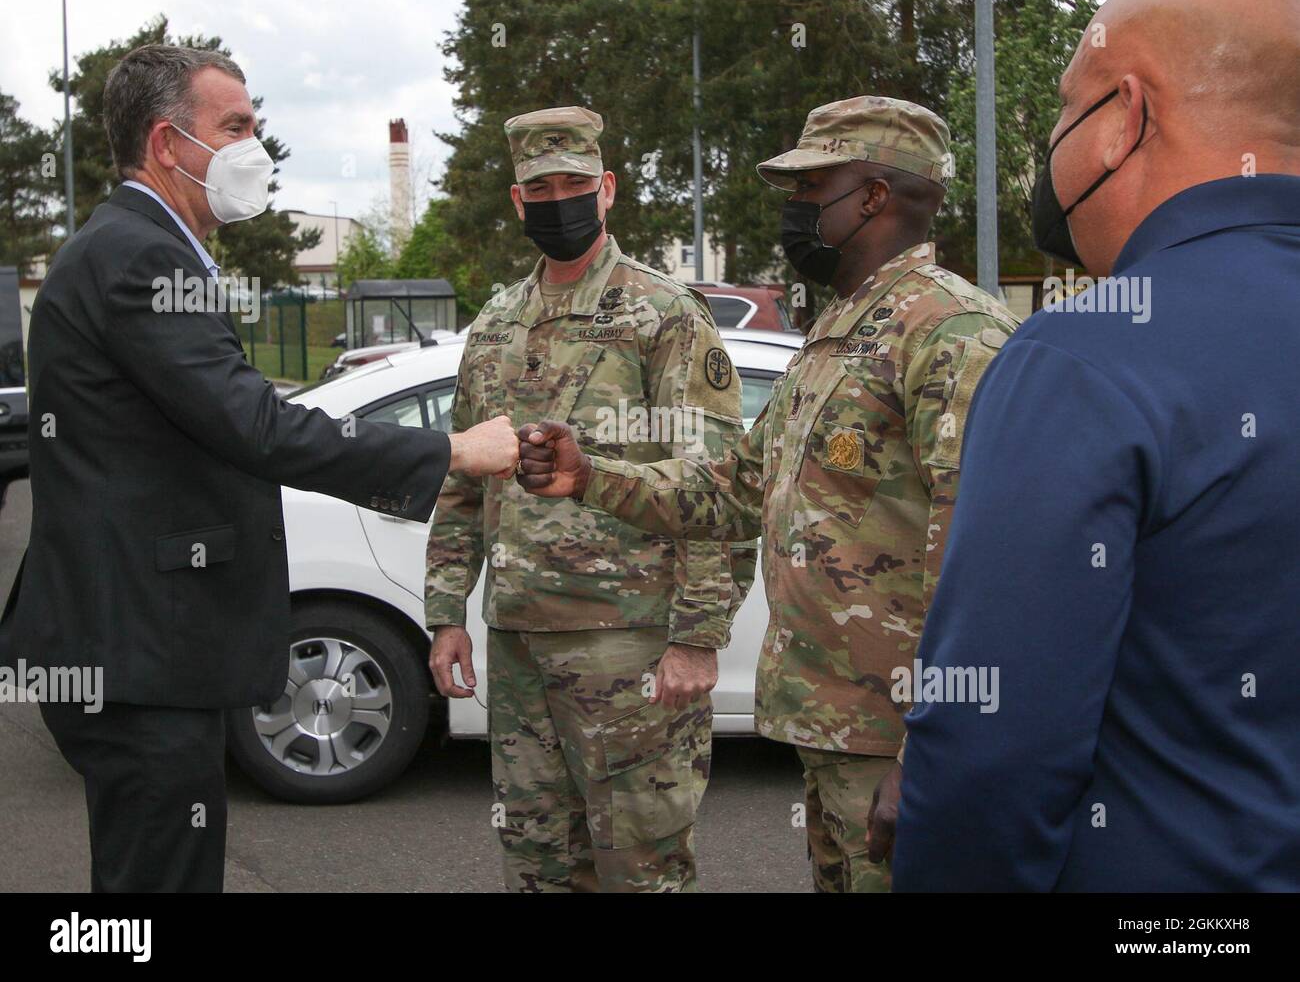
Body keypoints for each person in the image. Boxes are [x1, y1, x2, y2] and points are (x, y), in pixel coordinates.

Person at [0, 44, 518, 893]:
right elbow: (255, 425)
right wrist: (451, 449)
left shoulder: (139, 246)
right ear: (169, 144)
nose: (256, 149)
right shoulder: (140, 255)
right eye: (235, 127)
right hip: (138, 649)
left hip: (140, 644)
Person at [515, 97, 1019, 891]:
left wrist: (933, 753)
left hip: (902, 743)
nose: (794, 209)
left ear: (874, 197)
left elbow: (985, 567)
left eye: (810, 187)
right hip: (837, 734)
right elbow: (733, 491)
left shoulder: (951, 332)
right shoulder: (841, 331)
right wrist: (589, 476)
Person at [893, 0, 1300, 891]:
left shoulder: (1087, 360)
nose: (1052, 149)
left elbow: (994, 753)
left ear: (1124, 117)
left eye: (1064, 111)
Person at [425, 106, 752, 892]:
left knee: (641, 864)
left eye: (575, 183)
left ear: (606, 190)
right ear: (518, 201)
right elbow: (461, 478)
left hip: (628, 645)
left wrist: (699, 636)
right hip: (519, 645)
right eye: (542, 189)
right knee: (537, 864)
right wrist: (445, 613)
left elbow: (715, 485)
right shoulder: (496, 324)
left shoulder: (663, 314)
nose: (559, 200)